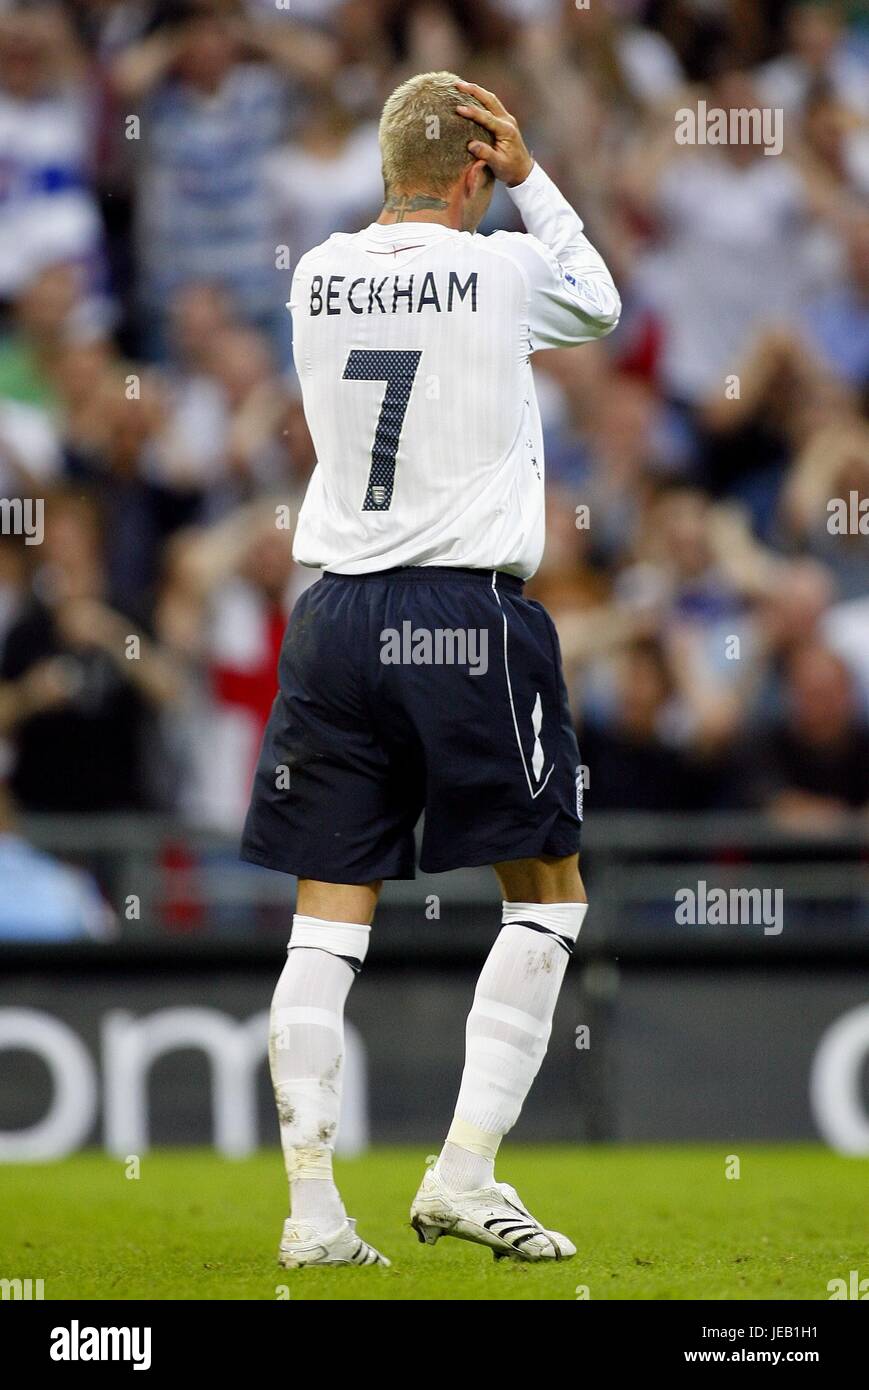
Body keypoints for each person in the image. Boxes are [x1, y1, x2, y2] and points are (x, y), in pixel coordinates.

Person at [241, 71, 620, 1268]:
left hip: (334, 619)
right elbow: (600, 304)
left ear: (380, 169)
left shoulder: (314, 275)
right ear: (473, 169)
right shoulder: (499, 267)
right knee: (548, 893)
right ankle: (461, 1173)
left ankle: (312, 1218)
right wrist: (534, 178)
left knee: (323, 923)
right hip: (461, 614)